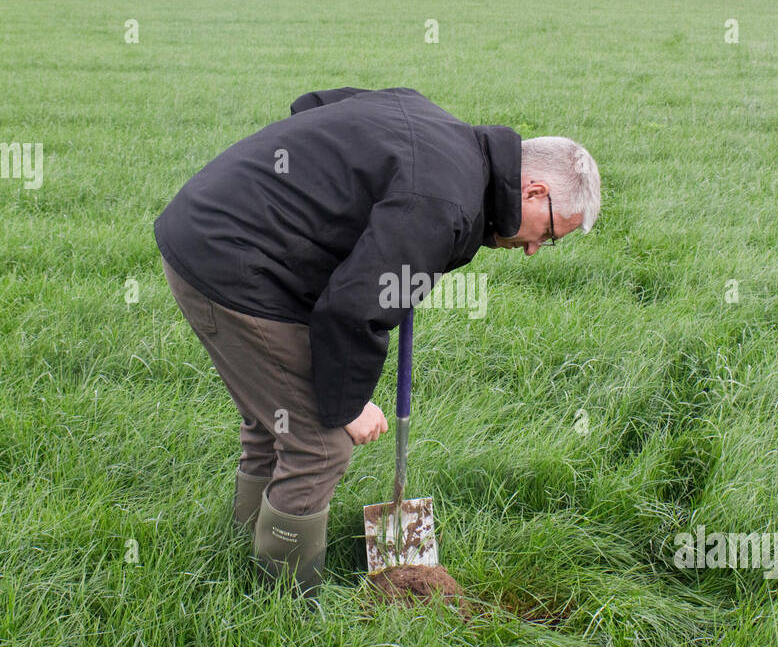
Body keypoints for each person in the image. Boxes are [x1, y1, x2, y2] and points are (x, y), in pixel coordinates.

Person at [153, 86, 601, 597]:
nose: (534, 251)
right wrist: (348, 403)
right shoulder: (440, 203)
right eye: (549, 234)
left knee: (275, 416)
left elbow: (315, 105)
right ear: (535, 191)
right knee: (319, 444)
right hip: (233, 264)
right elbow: (354, 307)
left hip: (213, 228)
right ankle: (281, 605)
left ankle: (244, 545)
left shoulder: (437, 127)